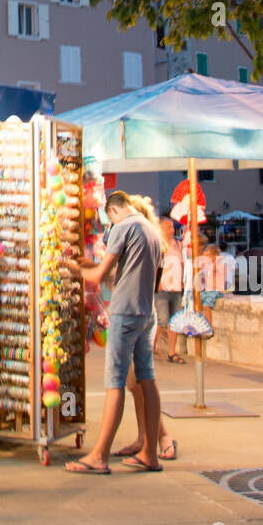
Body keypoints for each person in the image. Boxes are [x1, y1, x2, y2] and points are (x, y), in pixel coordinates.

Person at [66, 190, 163, 475]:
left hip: (125, 312)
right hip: (148, 313)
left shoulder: (123, 227)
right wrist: (92, 266)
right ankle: (150, 454)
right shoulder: (151, 230)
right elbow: (118, 273)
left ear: (114, 212)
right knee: (148, 378)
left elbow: (97, 279)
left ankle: (99, 456)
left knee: (115, 381)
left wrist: (71, 267)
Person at [111, 195, 178, 464]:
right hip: (143, 313)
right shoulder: (153, 243)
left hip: (132, 315)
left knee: (138, 380)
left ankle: (160, 437)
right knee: (137, 382)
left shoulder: (136, 241)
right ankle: (146, 439)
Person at [156, 217, 186, 363]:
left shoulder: (178, 245)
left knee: (174, 322)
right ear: (161, 229)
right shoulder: (159, 245)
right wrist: (158, 284)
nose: (172, 230)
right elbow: (155, 266)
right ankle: (152, 346)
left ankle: (171, 352)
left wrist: (181, 281)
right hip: (162, 289)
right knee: (163, 321)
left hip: (176, 289)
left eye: (173, 227)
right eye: (169, 228)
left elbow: (181, 263)